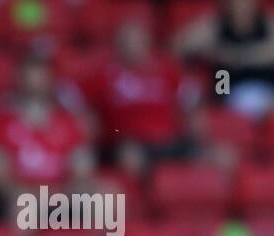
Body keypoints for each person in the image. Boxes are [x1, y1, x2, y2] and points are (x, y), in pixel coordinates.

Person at [0, 54, 96, 234]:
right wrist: (26, 194)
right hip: (22, 197)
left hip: (60, 197)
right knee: (23, 205)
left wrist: (62, 192)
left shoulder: (67, 121)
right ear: (20, 79)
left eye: (41, 76)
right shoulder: (4, 122)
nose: (36, 82)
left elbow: (82, 168)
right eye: (31, 76)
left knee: (106, 196)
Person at [81, 20, 202, 178]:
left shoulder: (166, 70)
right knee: (130, 157)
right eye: (127, 42)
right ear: (118, 46)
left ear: (147, 43)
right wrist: (84, 116)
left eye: (137, 41)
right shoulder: (105, 74)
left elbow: (191, 97)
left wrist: (193, 119)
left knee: (207, 155)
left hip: (168, 140)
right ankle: (138, 200)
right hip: (127, 143)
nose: (132, 47)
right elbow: (71, 95)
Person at [176, 0, 274, 119]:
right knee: (222, 76)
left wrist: (236, 56)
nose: (242, 5)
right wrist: (210, 52)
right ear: (227, 1)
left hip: (266, 91)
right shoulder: (215, 25)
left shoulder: (267, 23)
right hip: (229, 92)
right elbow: (179, 46)